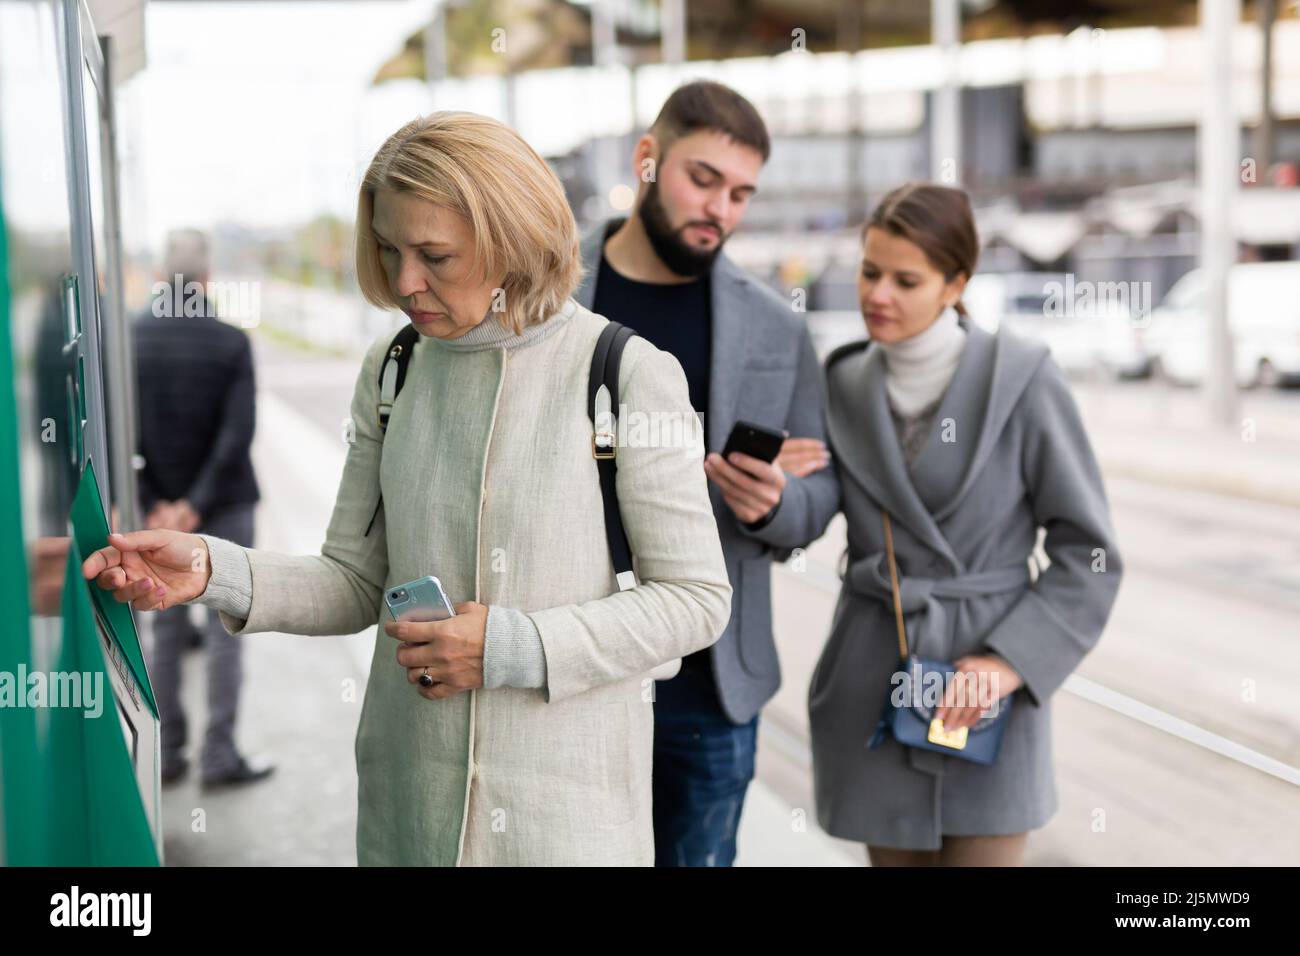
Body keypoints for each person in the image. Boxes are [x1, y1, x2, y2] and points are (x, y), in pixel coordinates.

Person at [84, 111, 732, 866]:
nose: (403, 283)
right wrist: (208, 568)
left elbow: (696, 599)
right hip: (407, 818)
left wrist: (511, 647)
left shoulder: (627, 374)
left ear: (516, 240)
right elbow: (355, 581)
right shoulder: (392, 368)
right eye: (389, 249)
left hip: (564, 829)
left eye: (435, 255)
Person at [809, 182, 1123, 866]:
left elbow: (1089, 552)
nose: (878, 295)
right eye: (869, 271)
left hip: (983, 691)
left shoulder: (1024, 379)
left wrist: (1009, 663)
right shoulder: (842, 381)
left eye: (906, 281)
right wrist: (768, 495)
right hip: (875, 675)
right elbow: (806, 509)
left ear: (956, 284)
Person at [572, 80, 840, 866]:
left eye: (741, 193)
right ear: (647, 160)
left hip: (710, 683)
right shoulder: (548, 286)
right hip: (569, 658)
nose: (721, 209)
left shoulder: (774, 324)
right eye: (704, 179)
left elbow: (823, 491)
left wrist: (776, 503)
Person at [132, 228, 272, 788]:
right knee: (225, 628)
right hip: (226, 505)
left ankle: (167, 754)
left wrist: (160, 505)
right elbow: (237, 434)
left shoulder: (131, 337)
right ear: (207, 278)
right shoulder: (230, 342)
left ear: (161, 276)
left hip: (157, 511)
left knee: (165, 629)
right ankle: (219, 755)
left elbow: (123, 431)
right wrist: (198, 505)